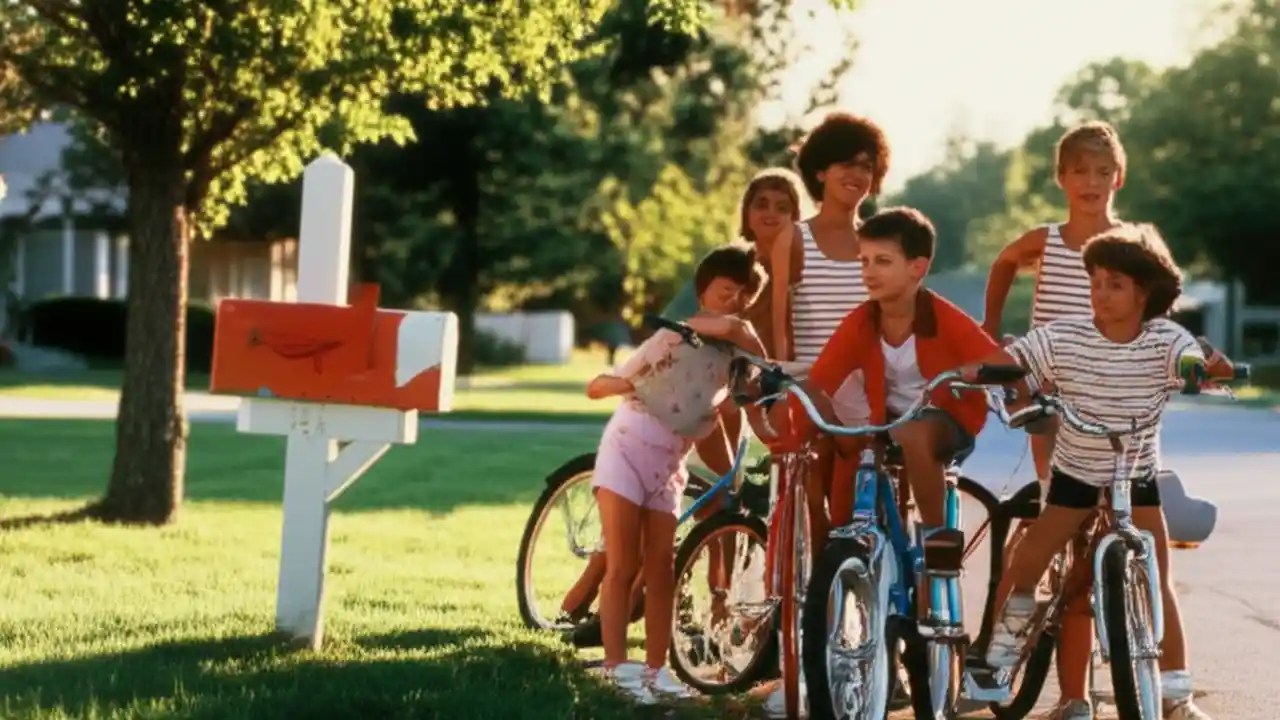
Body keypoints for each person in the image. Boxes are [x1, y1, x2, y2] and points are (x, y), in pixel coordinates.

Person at [978, 223, 1233, 720]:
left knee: (1158, 575)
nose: (1099, 293)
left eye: (1114, 284)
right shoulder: (1066, 334)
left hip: (1135, 474)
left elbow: (1190, 362)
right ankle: (1004, 648)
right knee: (1031, 559)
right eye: (1094, 282)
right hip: (1076, 471)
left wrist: (1206, 368)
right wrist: (984, 370)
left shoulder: (1164, 337)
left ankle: (1175, 694)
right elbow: (1013, 360)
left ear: (1144, 294)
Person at [980, 120, 1128, 719]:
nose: (1091, 182)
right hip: (1049, 390)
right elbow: (1003, 263)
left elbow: (1159, 296)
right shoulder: (1046, 239)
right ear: (1061, 178)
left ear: (1119, 177)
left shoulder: (1130, 241)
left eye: (1102, 171)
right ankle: (1019, 654)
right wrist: (990, 331)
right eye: (1079, 172)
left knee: (1097, 532)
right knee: (1061, 516)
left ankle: (1075, 694)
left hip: (1110, 392)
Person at [588, 242, 767, 703]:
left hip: (668, 464)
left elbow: (751, 374)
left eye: (746, 296)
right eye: (727, 290)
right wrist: (622, 382)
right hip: (627, 449)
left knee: (663, 568)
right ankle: (616, 667)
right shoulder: (677, 334)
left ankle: (656, 668)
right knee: (624, 563)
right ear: (704, 289)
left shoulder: (734, 355)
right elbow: (600, 386)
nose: (736, 302)